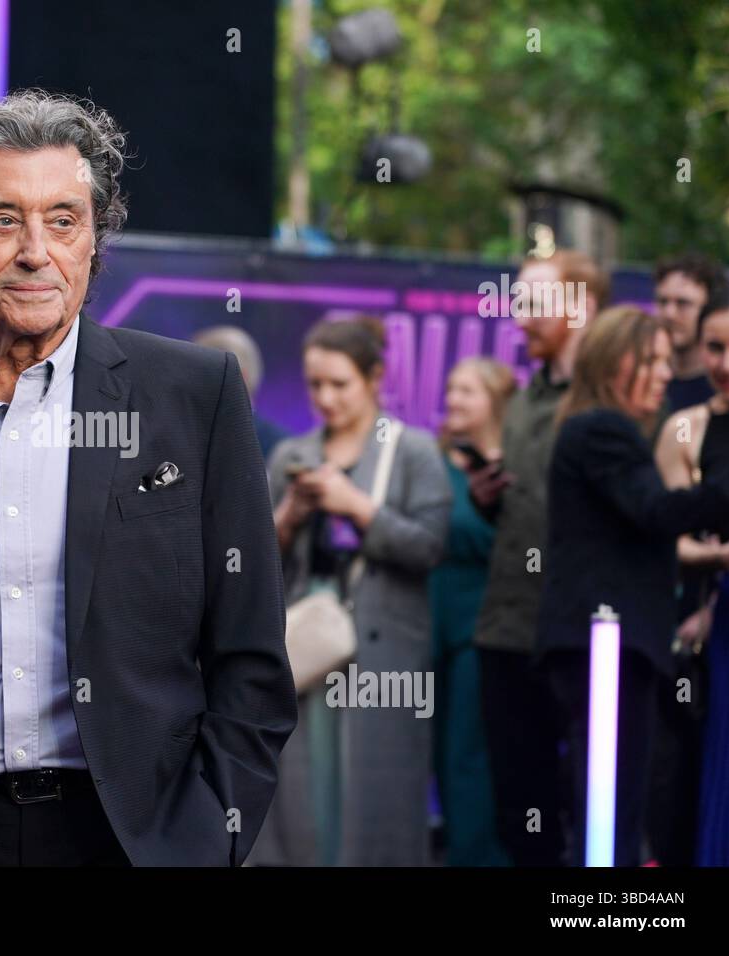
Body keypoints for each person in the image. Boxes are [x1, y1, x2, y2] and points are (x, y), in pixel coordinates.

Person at [0, 90, 296, 867]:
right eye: (3, 220)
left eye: (64, 220)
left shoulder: (193, 395)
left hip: (133, 841)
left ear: (93, 237)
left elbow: (251, 658)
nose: (37, 251)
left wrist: (212, 832)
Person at [248, 316, 451, 867]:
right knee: (301, 783)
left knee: (378, 787)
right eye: (315, 385)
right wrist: (293, 512)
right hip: (309, 636)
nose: (326, 398)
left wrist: (355, 506)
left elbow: (430, 546)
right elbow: (254, 559)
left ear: (375, 377)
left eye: (340, 384)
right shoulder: (293, 451)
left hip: (383, 646)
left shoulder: (412, 450)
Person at [537, 305, 729, 867]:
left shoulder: (601, 431)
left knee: (616, 808)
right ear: (614, 364)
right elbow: (659, 511)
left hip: (612, 645)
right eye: (652, 361)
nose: (667, 374)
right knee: (608, 813)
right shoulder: (602, 429)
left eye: (669, 361)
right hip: (606, 645)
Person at [468, 249, 606, 866]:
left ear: (583, 307)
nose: (519, 315)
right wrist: (488, 498)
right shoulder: (523, 398)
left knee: (591, 810)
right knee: (518, 810)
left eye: (535, 302)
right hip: (506, 629)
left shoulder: (611, 403)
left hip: (580, 636)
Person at [654, 297, 729, 865]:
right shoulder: (686, 429)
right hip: (715, 627)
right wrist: (724, 560)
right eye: (715, 346)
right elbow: (663, 536)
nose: (726, 362)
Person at [430, 358, 514, 866]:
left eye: (467, 391)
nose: (454, 399)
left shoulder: (512, 469)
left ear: (496, 401)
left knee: (469, 756)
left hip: (480, 630)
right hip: (426, 624)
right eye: (450, 389)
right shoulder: (432, 460)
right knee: (434, 753)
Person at [193, 325, 290, 460]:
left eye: (202, 376)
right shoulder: (189, 438)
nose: (192, 385)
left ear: (238, 377)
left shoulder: (282, 451)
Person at [653, 253, 729, 414]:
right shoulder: (643, 382)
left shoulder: (726, 385)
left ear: (712, 310)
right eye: (663, 302)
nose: (669, 313)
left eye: (683, 303)